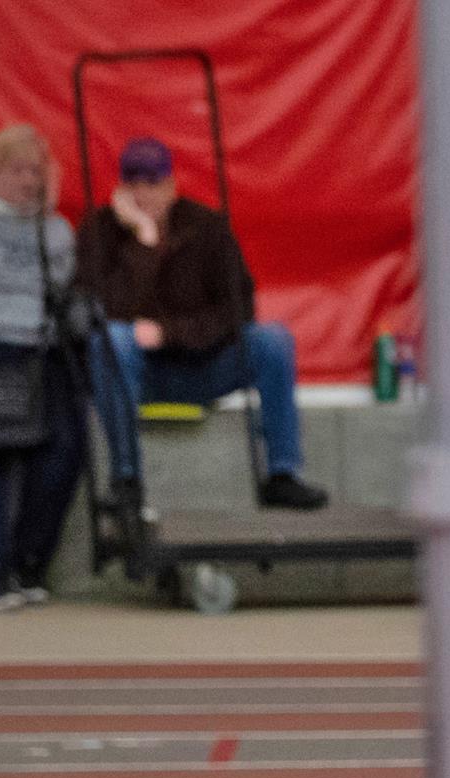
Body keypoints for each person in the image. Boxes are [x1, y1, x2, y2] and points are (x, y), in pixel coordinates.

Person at [76, 137, 327, 511]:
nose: (144, 193)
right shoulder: (99, 230)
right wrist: (144, 238)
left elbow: (239, 306)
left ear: (172, 186)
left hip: (201, 367)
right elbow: (102, 310)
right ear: (121, 188)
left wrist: (168, 333)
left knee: (273, 340)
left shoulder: (207, 227)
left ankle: (282, 474)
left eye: (153, 182)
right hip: (136, 376)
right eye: (134, 183)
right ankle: (126, 478)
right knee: (112, 338)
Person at [0, 124, 86, 610]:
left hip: (46, 352)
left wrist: (45, 213)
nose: (27, 181)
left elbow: (65, 290)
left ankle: (31, 561)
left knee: (65, 450)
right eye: (16, 171)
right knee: (3, 456)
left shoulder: (56, 230)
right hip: (2, 350)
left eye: (36, 171)